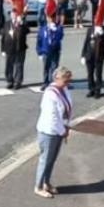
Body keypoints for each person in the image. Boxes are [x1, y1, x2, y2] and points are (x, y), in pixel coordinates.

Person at [34, 67, 73, 199]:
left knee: (52, 159)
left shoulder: (64, 90)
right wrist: (62, 130)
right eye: (65, 80)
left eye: (69, 80)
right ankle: (38, 186)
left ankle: (46, 183)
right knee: (45, 160)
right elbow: (53, 116)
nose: (67, 83)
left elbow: (68, 109)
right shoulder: (51, 93)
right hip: (49, 131)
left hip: (59, 130)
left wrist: (67, 126)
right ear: (57, 78)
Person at [2, 8, 30, 90]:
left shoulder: (22, 23)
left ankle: (18, 82)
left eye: (14, 14)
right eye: (12, 14)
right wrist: (2, 49)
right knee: (9, 65)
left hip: (19, 48)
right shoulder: (7, 24)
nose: (13, 15)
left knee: (18, 65)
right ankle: (10, 81)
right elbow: (3, 37)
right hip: (9, 48)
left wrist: (21, 23)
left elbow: (27, 31)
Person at [81, 24, 104, 97]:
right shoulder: (90, 29)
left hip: (99, 55)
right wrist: (83, 55)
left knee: (98, 74)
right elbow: (86, 42)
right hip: (89, 55)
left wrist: (101, 35)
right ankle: (91, 89)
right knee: (89, 74)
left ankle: (98, 90)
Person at [36, 11, 64, 87]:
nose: (51, 19)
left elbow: (60, 37)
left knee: (54, 68)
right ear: (47, 18)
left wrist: (56, 30)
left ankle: (53, 82)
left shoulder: (58, 28)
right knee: (46, 68)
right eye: (49, 18)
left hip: (55, 51)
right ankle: (45, 82)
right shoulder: (43, 29)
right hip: (45, 51)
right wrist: (39, 52)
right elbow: (39, 41)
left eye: (52, 18)